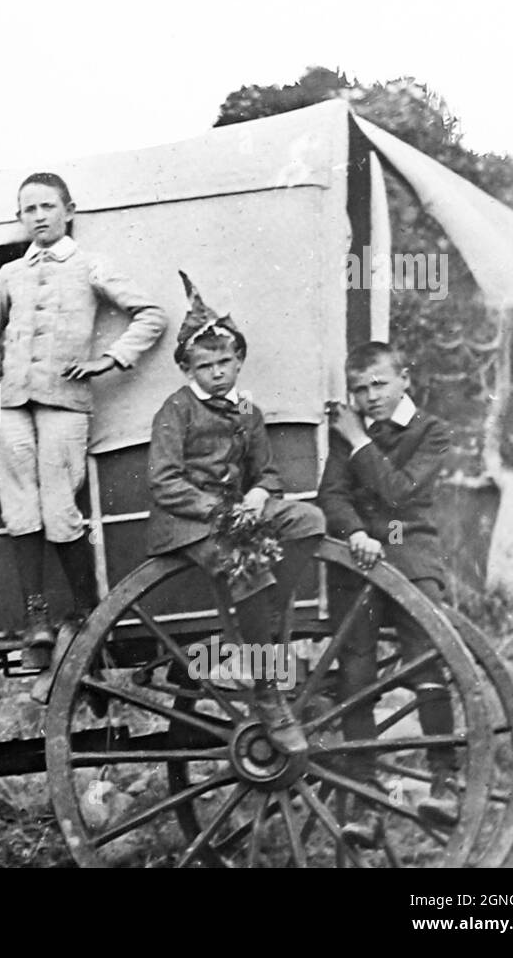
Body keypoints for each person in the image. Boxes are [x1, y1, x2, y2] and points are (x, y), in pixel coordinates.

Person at [0, 172, 167, 663]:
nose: (38, 217)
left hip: (64, 403)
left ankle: (86, 610)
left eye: (46, 207)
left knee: (61, 507)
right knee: (20, 509)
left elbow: (151, 314)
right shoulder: (10, 274)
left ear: (69, 210)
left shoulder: (89, 265)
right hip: (12, 403)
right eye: (28, 210)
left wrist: (110, 360)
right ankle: (35, 615)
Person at [146, 273, 324, 755]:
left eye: (226, 361)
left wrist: (259, 497)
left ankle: (263, 617)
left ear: (240, 360)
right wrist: (220, 511)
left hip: (237, 515)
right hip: (186, 521)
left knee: (309, 522)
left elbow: (266, 472)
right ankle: (267, 694)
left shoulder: (248, 412)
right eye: (206, 366)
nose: (218, 372)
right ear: (188, 369)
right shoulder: (176, 411)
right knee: (246, 567)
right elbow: (164, 482)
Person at [317, 341, 459, 847]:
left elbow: (401, 492)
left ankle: (446, 780)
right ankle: (364, 795)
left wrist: (358, 442)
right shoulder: (347, 435)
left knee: (424, 659)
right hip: (357, 563)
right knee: (355, 673)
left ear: (404, 379)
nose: (369, 396)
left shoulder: (431, 431)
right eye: (359, 388)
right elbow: (329, 493)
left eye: (379, 384)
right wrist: (354, 530)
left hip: (410, 555)